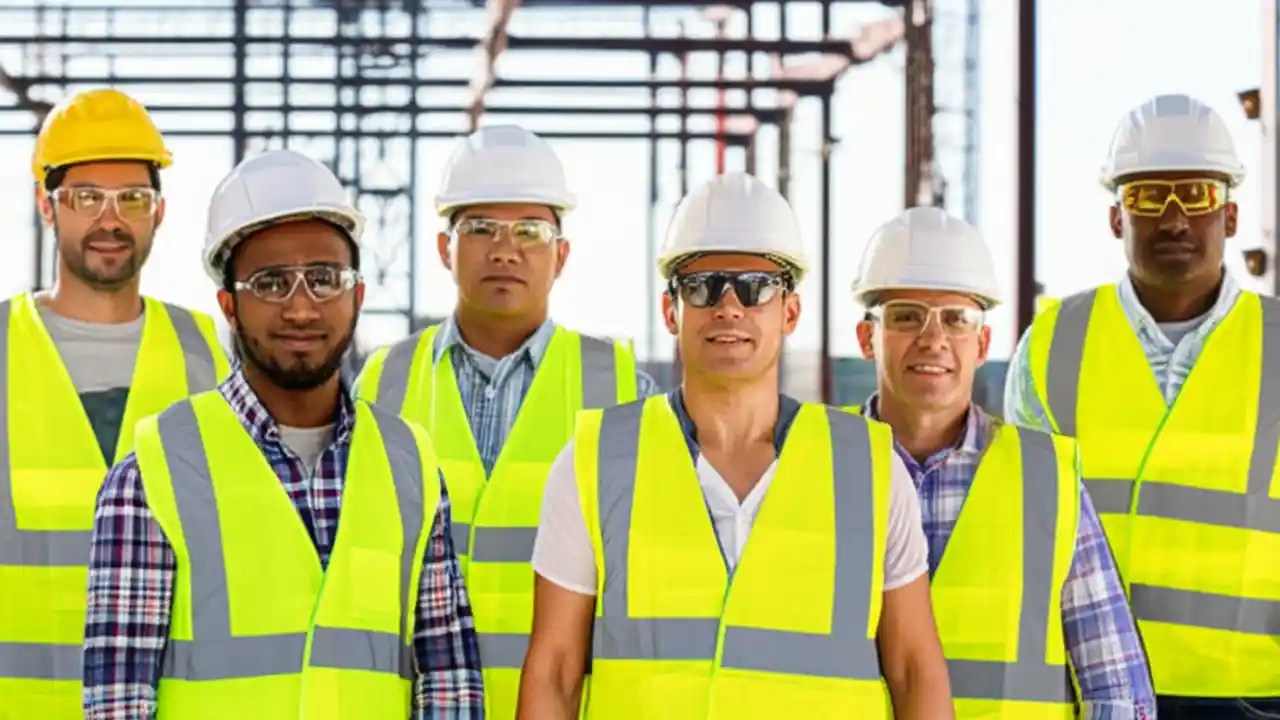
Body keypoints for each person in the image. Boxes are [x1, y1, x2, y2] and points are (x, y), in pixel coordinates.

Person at [518, 172, 954, 719]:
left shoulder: (870, 470)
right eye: (702, 286)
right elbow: (554, 669)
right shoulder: (595, 461)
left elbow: (915, 670)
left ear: (789, 312)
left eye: (755, 287)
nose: (728, 307)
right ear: (670, 309)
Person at [82, 149, 483, 719]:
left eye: (324, 279)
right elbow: (117, 705)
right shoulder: (154, 474)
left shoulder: (409, 467)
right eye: (271, 283)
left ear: (357, 296)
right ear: (229, 305)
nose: (301, 307)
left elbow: (449, 686)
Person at [356, 124, 657, 717]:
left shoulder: (624, 391)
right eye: (481, 229)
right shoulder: (382, 383)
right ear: (446, 249)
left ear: (561, 255)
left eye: (530, 231)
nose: (505, 249)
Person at [1005, 93, 1280, 718]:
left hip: (1255, 696)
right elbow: (1020, 523)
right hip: (1090, 686)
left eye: (1198, 196)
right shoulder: (1054, 342)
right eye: (1149, 197)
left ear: (1231, 216)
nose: (1176, 219)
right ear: (1116, 219)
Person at [850, 206, 1156, 718]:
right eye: (906, 316)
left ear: (982, 344)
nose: (933, 338)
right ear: (867, 339)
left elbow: (1116, 688)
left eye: (957, 319)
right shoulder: (814, 464)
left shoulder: (1047, 480)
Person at [0, 87, 230, 720]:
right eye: (85, 198)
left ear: (158, 212)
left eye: (132, 197)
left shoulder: (207, 354)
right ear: (48, 207)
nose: (110, 219)